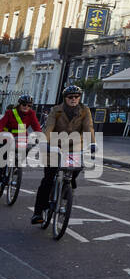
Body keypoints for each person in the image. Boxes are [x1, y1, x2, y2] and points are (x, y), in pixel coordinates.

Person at [32, 84, 95, 225]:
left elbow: (88, 127)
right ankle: (38, 212)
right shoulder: (56, 110)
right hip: (54, 146)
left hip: (73, 147)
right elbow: (49, 127)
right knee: (47, 179)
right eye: (70, 97)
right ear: (65, 98)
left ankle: (68, 184)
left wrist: (92, 143)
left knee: (76, 169)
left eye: (76, 96)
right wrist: (44, 142)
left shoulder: (85, 111)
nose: (74, 99)